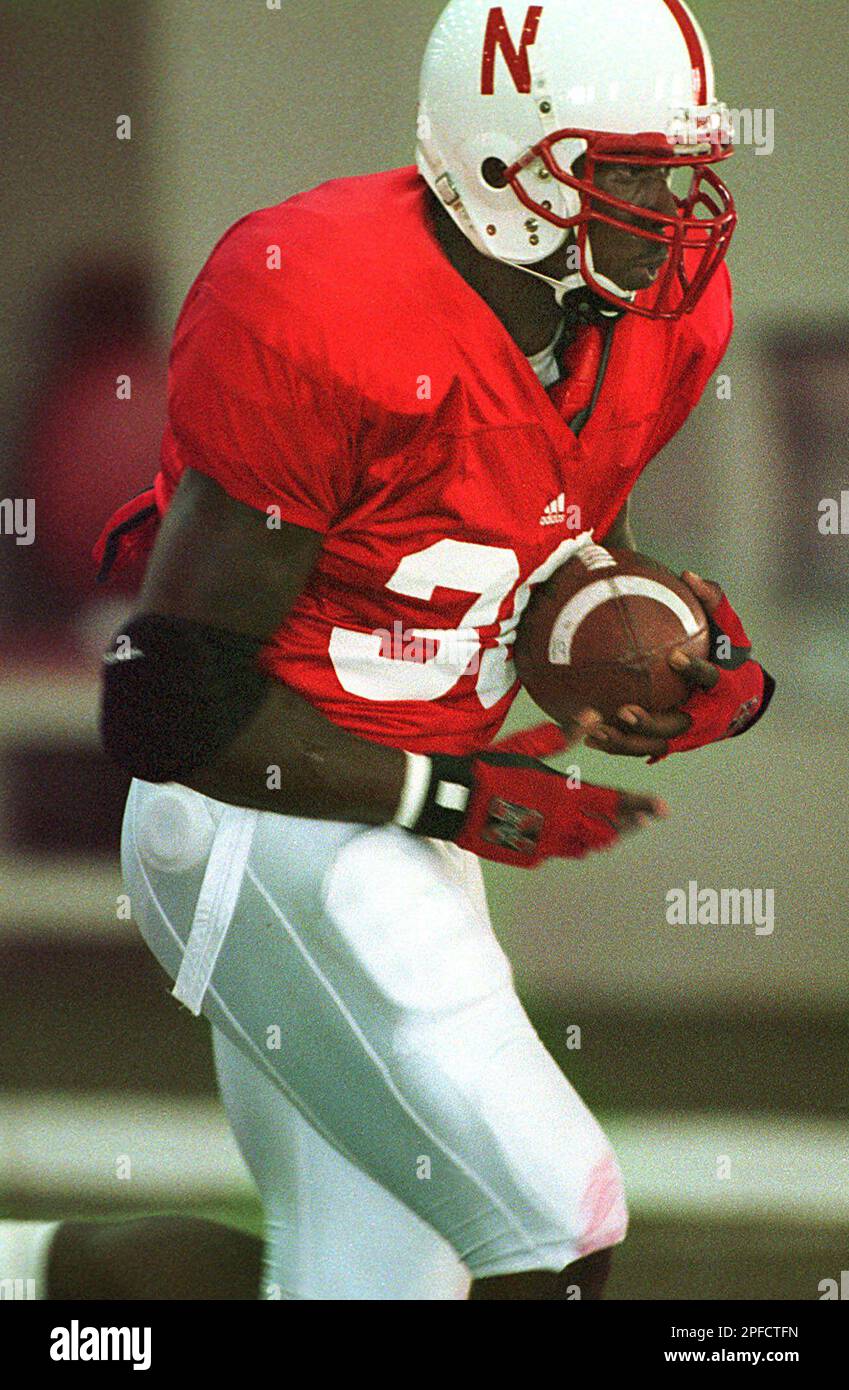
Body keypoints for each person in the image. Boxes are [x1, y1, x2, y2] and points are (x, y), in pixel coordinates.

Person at [91, 0, 774, 1301]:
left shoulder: (650, 317)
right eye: (625, 171)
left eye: (678, 172)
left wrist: (663, 645)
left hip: (402, 826)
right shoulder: (319, 298)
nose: (669, 210)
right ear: (506, 164)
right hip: (261, 817)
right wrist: (455, 796)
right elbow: (166, 701)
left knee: (366, 1287)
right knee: (555, 1216)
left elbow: (559, 544)